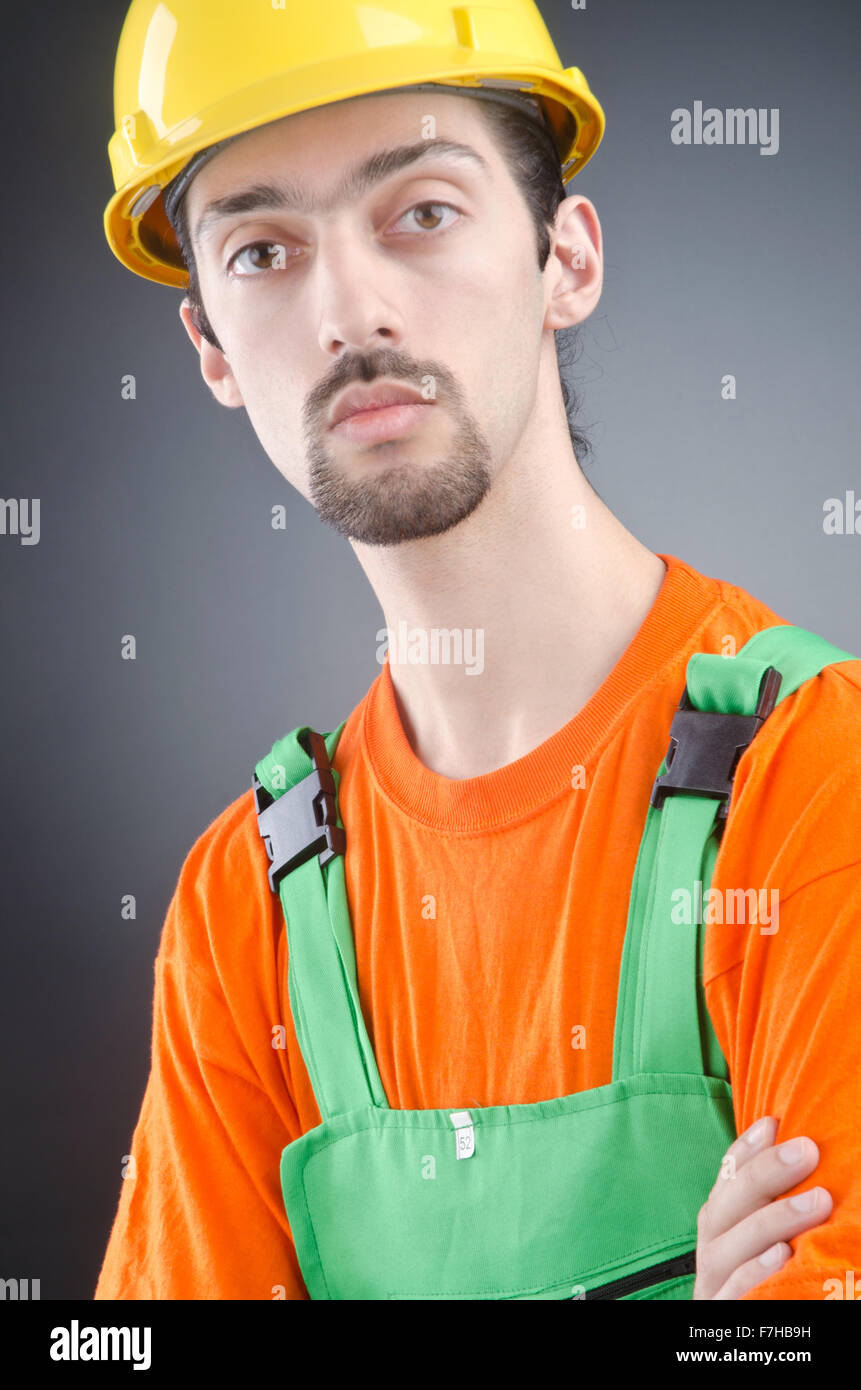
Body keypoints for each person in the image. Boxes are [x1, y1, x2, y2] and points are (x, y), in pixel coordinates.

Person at [96, 0, 861, 1300]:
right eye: (265, 251)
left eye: (421, 212)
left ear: (566, 255)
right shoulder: (247, 910)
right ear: (211, 349)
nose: (349, 307)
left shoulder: (811, 782)